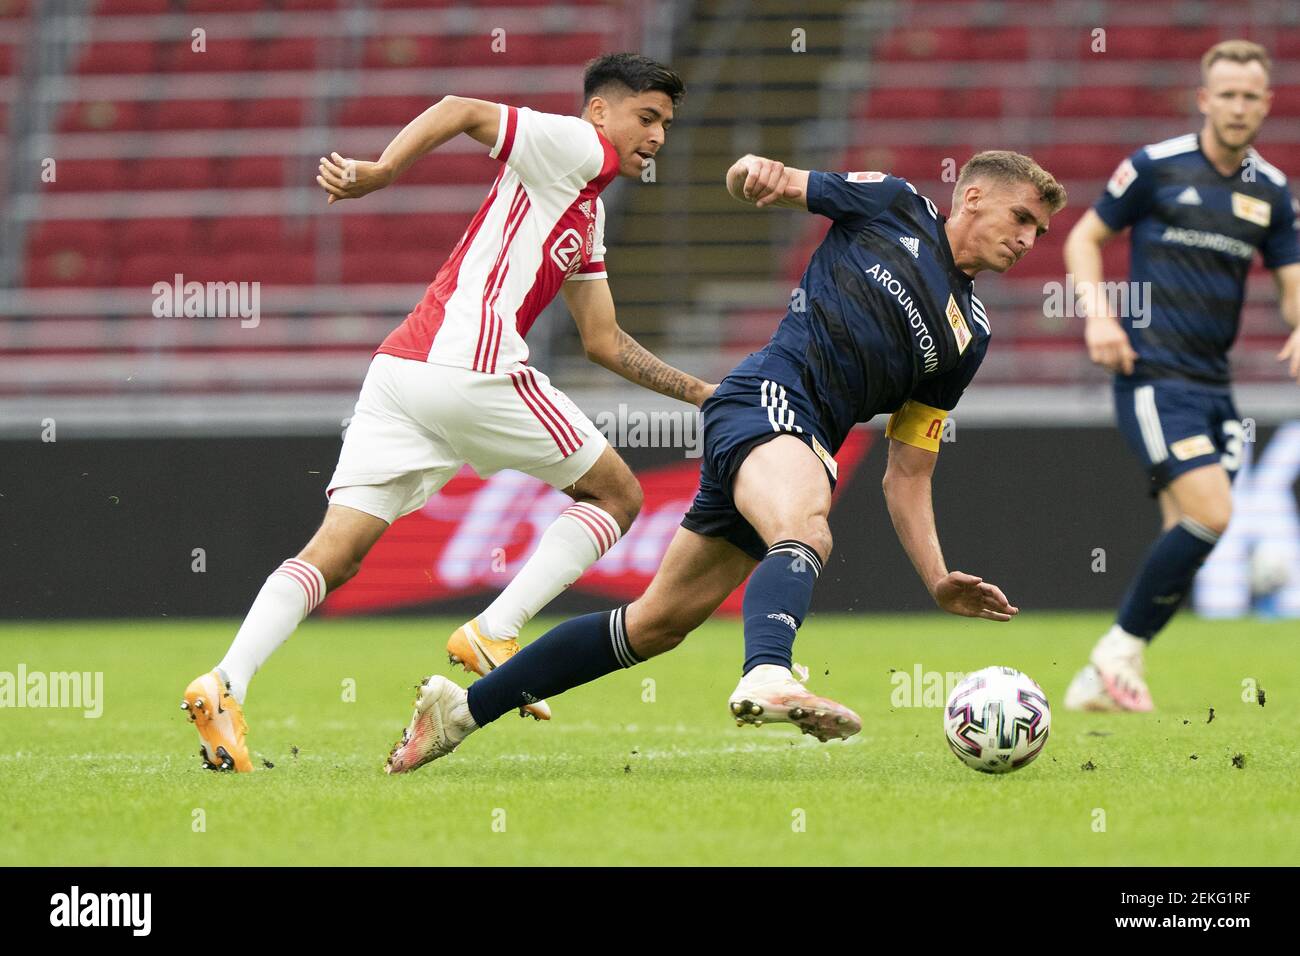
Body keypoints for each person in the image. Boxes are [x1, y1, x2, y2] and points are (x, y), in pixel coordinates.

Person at [385, 149, 1067, 773]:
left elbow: (909, 469)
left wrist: (938, 578)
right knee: (806, 524)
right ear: (973, 197)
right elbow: (776, 179)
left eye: (1038, 231)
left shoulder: (968, 335)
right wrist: (753, 172)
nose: (1028, 240)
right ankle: (768, 668)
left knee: (654, 625)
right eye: (1022, 218)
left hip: (796, 437)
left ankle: (460, 711)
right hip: (770, 395)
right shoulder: (893, 204)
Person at [181, 53, 713, 772]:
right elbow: (461, 107)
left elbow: (603, 341)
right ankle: (495, 628)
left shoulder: (586, 206)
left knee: (335, 555)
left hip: (404, 372)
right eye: (646, 118)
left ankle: (224, 684)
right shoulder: (575, 144)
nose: (656, 136)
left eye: (666, 125)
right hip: (469, 362)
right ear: (600, 112)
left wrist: (704, 394)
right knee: (616, 495)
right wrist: (382, 172)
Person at [1063, 40, 1300, 713]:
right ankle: (1115, 653)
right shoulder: (1155, 168)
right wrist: (1100, 318)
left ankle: (1102, 678)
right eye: (1226, 94)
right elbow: (1084, 238)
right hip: (1151, 374)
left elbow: (1292, 285)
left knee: (1189, 534)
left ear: (1266, 104)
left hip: (1213, 385)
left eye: (1251, 96)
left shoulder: (1272, 192)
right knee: (1213, 513)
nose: (1238, 107)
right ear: (1203, 99)